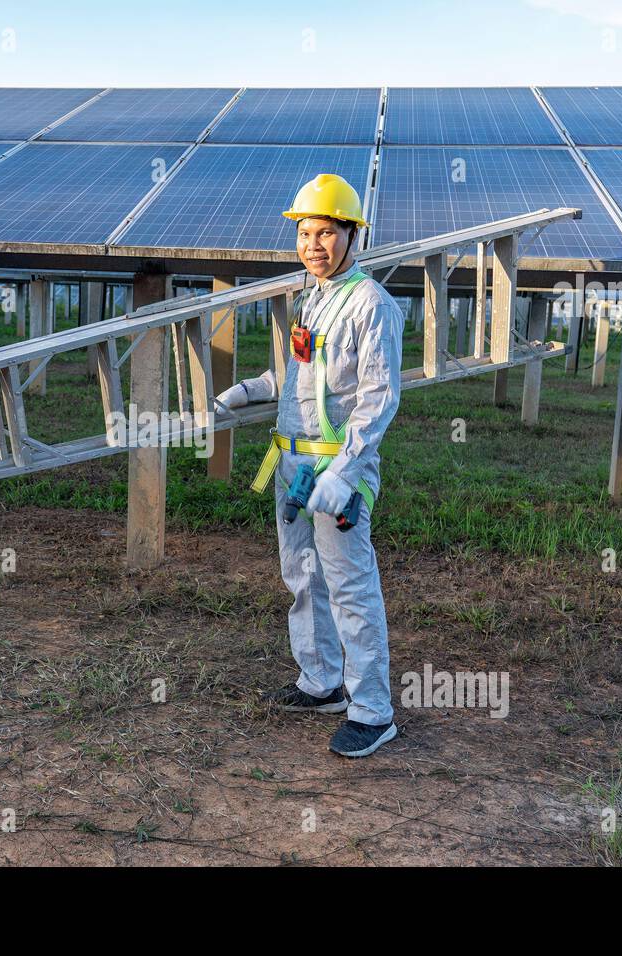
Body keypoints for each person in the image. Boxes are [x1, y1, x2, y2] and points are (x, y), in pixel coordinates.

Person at [216, 173, 404, 758]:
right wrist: (251, 388)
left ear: (353, 235)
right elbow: (301, 378)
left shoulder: (372, 305)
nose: (313, 245)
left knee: (350, 587)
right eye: (304, 233)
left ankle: (372, 711)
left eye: (326, 233)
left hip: (336, 472)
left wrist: (346, 472)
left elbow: (378, 398)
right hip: (292, 464)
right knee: (301, 578)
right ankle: (321, 682)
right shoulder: (311, 298)